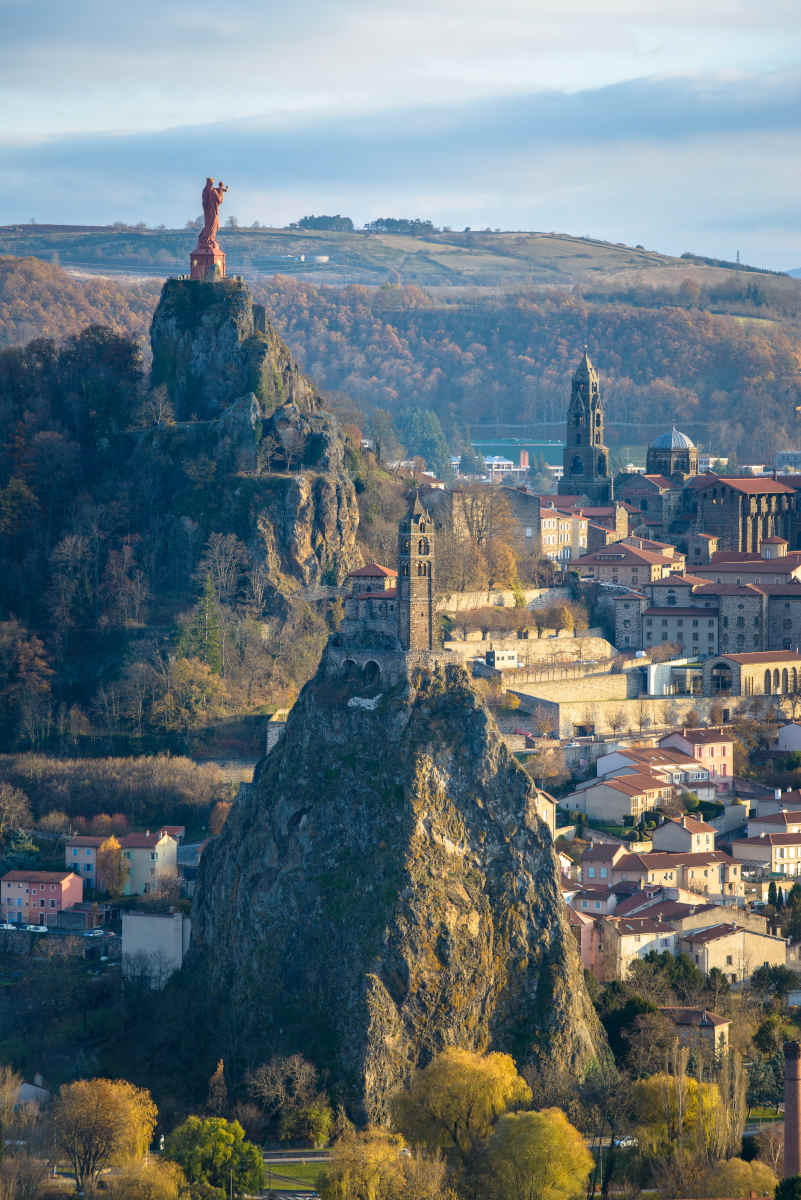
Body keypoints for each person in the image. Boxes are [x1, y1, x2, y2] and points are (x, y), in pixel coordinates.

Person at [199, 177, 228, 248]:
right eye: (212, 183)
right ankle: (209, 239)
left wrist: (221, 189)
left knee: (209, 225)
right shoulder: (213, 191)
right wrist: (221, 191)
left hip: (208, 211)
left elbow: (205, 201)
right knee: (213, 225)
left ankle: (207, 238)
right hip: (213, 211)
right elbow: (219, 200)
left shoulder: (206, 190)